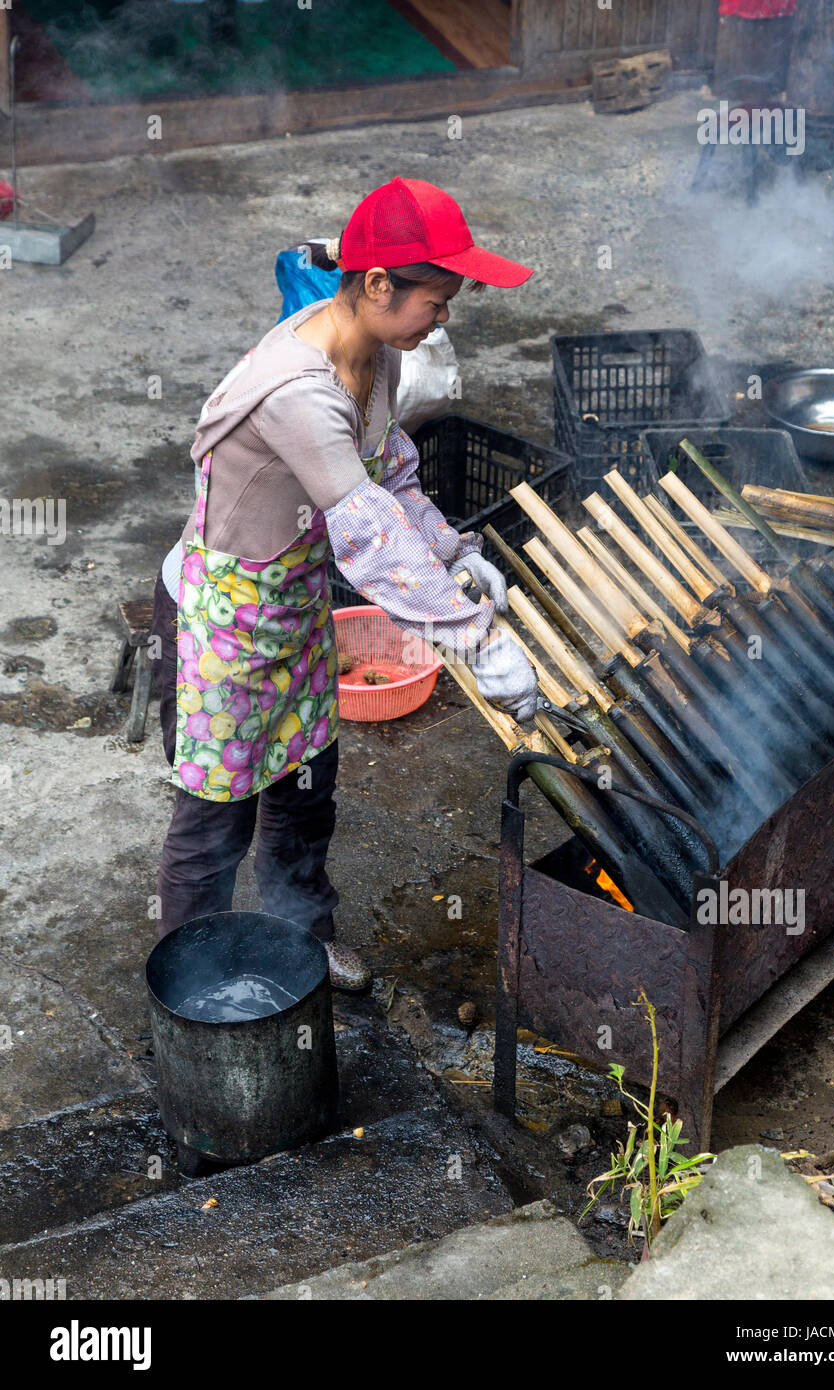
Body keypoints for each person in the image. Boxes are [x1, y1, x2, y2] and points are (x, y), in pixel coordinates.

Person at [150, 176, 539, 990]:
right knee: (215, 817)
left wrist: (453, 554)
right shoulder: (297, 388)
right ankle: (194, 983)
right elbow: (362, 531)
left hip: (290, 601)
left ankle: (302, 936)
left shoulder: (375, 355)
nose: (444, 317)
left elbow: (390, 474)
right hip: (220, 615)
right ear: (375, 285)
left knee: (304, 783)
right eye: (437, 299)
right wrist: (471, 638)